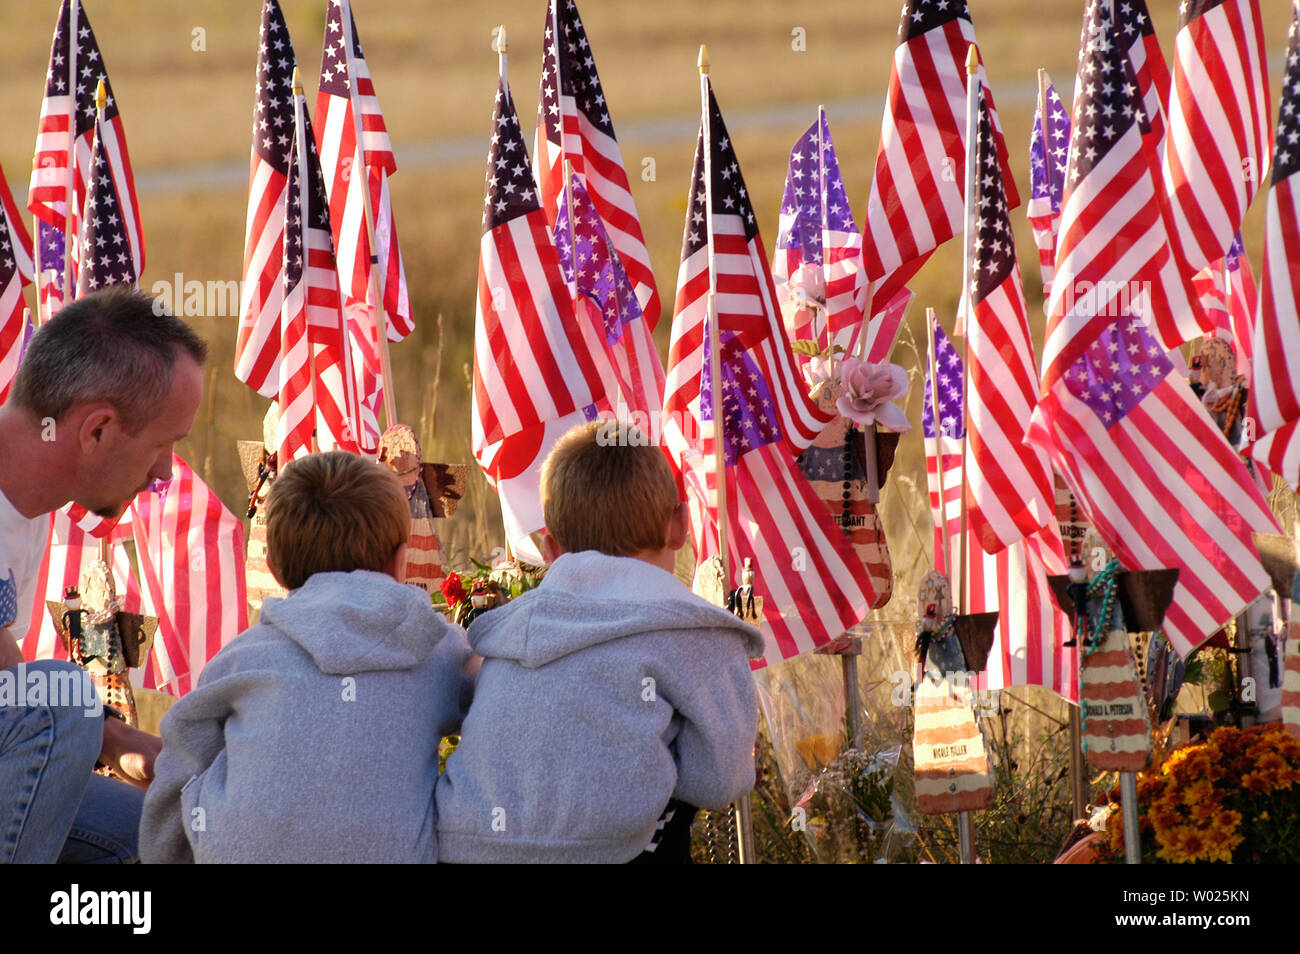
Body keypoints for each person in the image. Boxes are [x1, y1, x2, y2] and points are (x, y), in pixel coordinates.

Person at [435, 420, 764, 863]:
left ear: (549, 550)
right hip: (613, 851)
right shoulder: (697, 633)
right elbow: (719, 780)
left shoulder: (508, 631)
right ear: (681, 525)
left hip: (466, 844)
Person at [139, 452, 475, 863]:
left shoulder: (240, 659)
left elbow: (178, 770)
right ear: (401, 560)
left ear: (277, 572)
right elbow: (496, 709)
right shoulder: (436, 647)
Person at [0, 286, 206, 863]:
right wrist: (77, 722)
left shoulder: (26, 498)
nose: (166, 471)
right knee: (62, 699)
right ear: (96, 431)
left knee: (156, 835)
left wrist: (116, 744)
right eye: (164, 444)